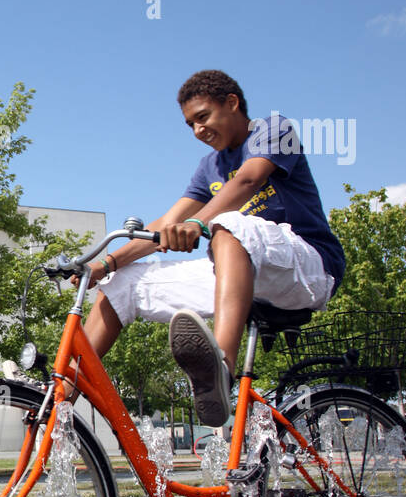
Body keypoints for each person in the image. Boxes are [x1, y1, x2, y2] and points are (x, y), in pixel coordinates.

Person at [76, 70, 345, 426]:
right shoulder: (209, 167)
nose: (198, 130)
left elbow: (249, 179)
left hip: (308, 267)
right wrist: (106, 264)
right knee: (123, 283)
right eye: (190, 125)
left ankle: (220, 370)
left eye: (203, 117)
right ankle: (60, 396)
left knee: (227, 224)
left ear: (232, 103)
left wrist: (199, 224)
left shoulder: (274, 129)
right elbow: (164, 225)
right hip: (239, 267)